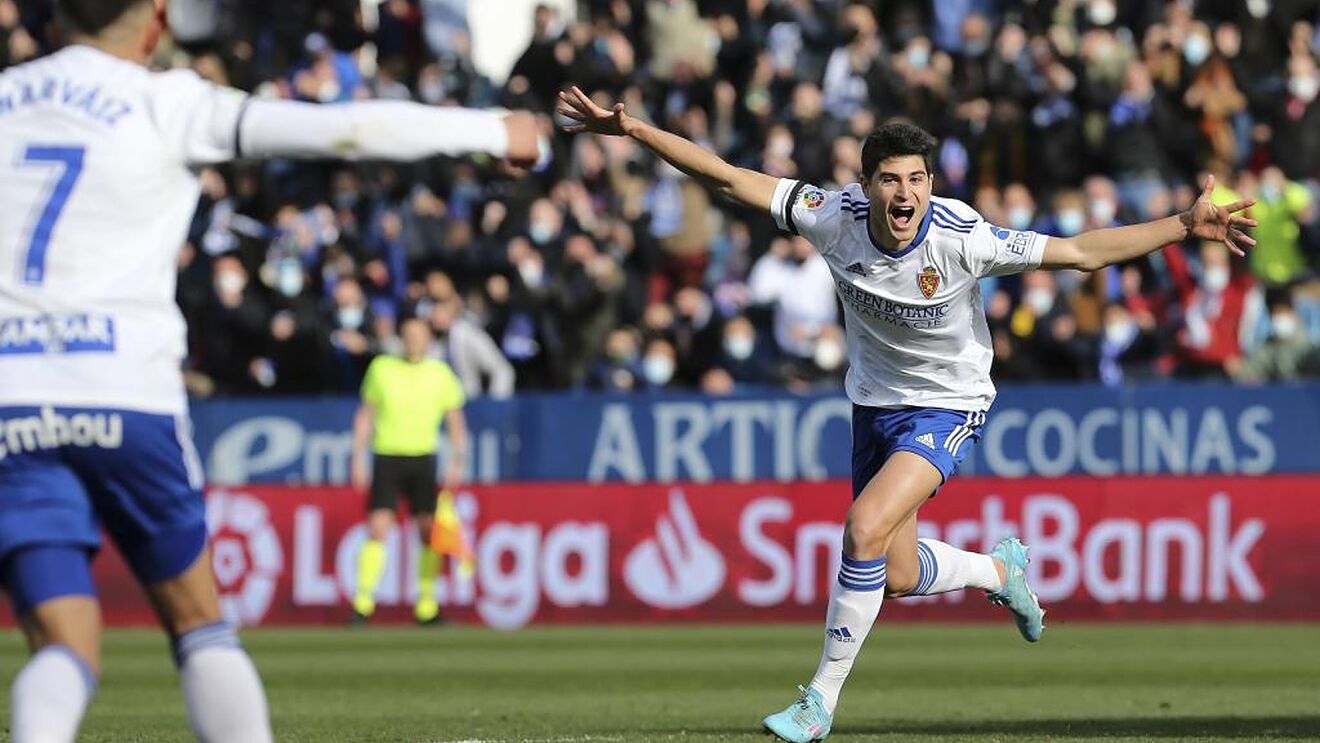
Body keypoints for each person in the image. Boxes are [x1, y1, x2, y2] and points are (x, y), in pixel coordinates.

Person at [557, 85, 1255, 742]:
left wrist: (1181, 225)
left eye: (917, 179)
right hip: (874, 405)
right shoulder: (832, 217)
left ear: (930, 183)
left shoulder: (962, 237)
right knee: (891, 573)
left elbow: (1077, 252)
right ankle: (997, 572)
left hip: (949, 402)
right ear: (865, 186)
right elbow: (728, 178)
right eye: (891, 179)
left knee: (862, 528)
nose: (906, 193)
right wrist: (635, 129)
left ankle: (818, 701)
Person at [0, 2, 538, 741]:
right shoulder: (171, 102)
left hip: (12, 400)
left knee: (63, 645)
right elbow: (346, 128)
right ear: (157, 19)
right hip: (123, 391)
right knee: (200, 626)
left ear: (57, 18)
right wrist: (489, 131)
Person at [349, 318, 467, 625]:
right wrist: (357, 456)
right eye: (409, 334)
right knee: (378, 527)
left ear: (428, 339)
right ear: (402, 338)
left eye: (419, 335)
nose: (414, 340)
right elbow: (366, 414)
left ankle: (426, 606)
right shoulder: (382, 368)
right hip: (387, 455)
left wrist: (457, 460)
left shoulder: (440, 373)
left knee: (428, 531)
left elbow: (455, 420)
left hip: (423, 458)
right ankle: (363, 603)